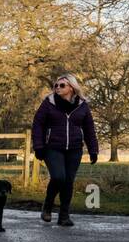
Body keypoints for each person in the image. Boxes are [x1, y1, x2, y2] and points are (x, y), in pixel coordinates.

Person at [32, 73, 98, 227]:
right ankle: (47, 206)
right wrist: (39, 147)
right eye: (56, 85)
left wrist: (93, 149)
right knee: (58, 177)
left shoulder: (82, 105)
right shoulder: (49, 103)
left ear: (72, 88)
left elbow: (89, 129)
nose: (57, 88)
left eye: (62, 85)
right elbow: (37, 125)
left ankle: (64, 216)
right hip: (52, 147)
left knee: (68, 182)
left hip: (74, 149)